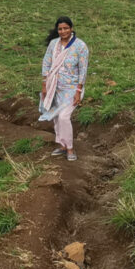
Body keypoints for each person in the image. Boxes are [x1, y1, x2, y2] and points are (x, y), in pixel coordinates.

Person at [39, 16, 89, 161]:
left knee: (64, 116)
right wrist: (44, 85)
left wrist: (78, 91)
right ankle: (62, 145)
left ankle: (70, 148)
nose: (63, 31)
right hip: (54, 86)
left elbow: (83, 69)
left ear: (71, 29)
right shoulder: (54, 44)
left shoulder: (80, 46)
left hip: (72, 88)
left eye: (66, 28)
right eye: (60, 29)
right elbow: (46, 63)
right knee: (56, 116)